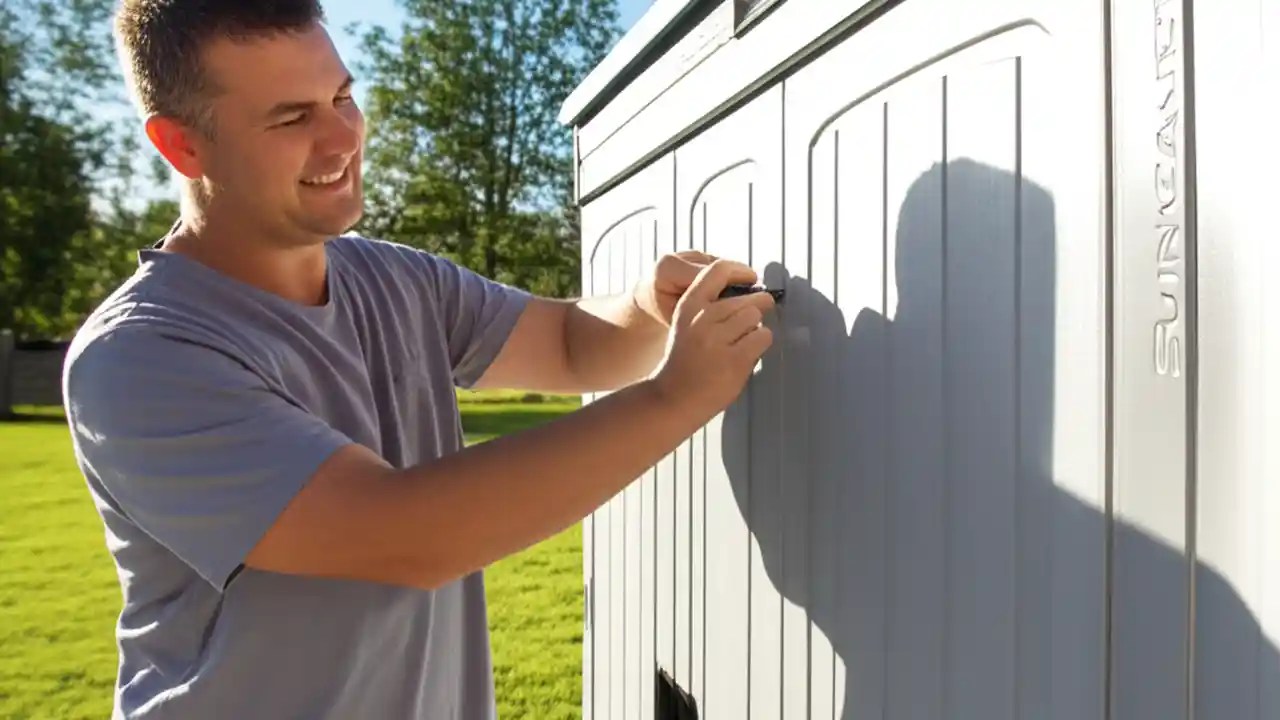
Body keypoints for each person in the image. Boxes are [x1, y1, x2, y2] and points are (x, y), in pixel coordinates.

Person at [62, 1, 775, 718]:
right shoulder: (141, 356)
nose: (342, 137)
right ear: (181, 145)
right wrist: (674, 399)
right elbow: (404, 536)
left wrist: (648, 305)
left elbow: (568, 343)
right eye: (292, 118)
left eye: (343, 97)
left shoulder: (395, 279)